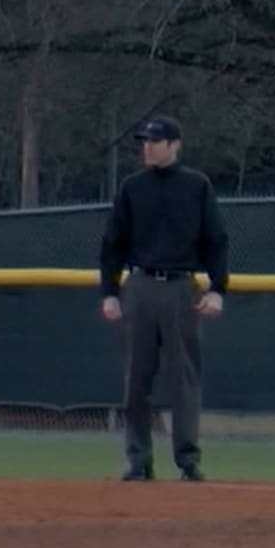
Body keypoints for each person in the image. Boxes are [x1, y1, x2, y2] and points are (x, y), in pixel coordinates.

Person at [98, 115, 229, 483]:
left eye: (155, 141)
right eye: (145, 141)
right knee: (136, 379)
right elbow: (112, 245)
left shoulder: (196, 186)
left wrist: (218, 288)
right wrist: (109, 292)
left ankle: (187, 459)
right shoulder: (132, 187)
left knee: (183, 378)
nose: (148, 147)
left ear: (174, 145)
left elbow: (216, 241)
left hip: (180, 288)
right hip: (139, 285)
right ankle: (139, 459)